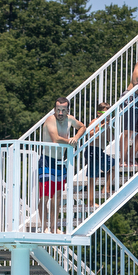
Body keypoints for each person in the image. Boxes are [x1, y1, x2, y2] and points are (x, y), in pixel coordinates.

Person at [39, 96, 85, 233]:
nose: (60, 113)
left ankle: (54, 227)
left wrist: (76, 137)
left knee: (57, 196)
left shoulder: (69, 119)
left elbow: (82, 127)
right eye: (58, 110)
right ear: (54, 109)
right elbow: (56, 139)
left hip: (59, 163)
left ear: (67, 111)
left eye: (63, 110)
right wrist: (71, 141)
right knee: (45, 195)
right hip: (47, 160)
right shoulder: (50, 120)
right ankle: (44, 227)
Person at [80, 102, 115, 209]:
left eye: (108, 113)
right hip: (92, 150)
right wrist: (102, 125)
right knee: (92, 178)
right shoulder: (95, 121)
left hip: (99, 151)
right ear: (98, 113)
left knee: (113, 165)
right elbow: (90, 133)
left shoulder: (106, 123)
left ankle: (106, 189)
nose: (106, 115)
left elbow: (111, 138)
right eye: (104, 112)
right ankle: (90, 202)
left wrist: (108, 127)